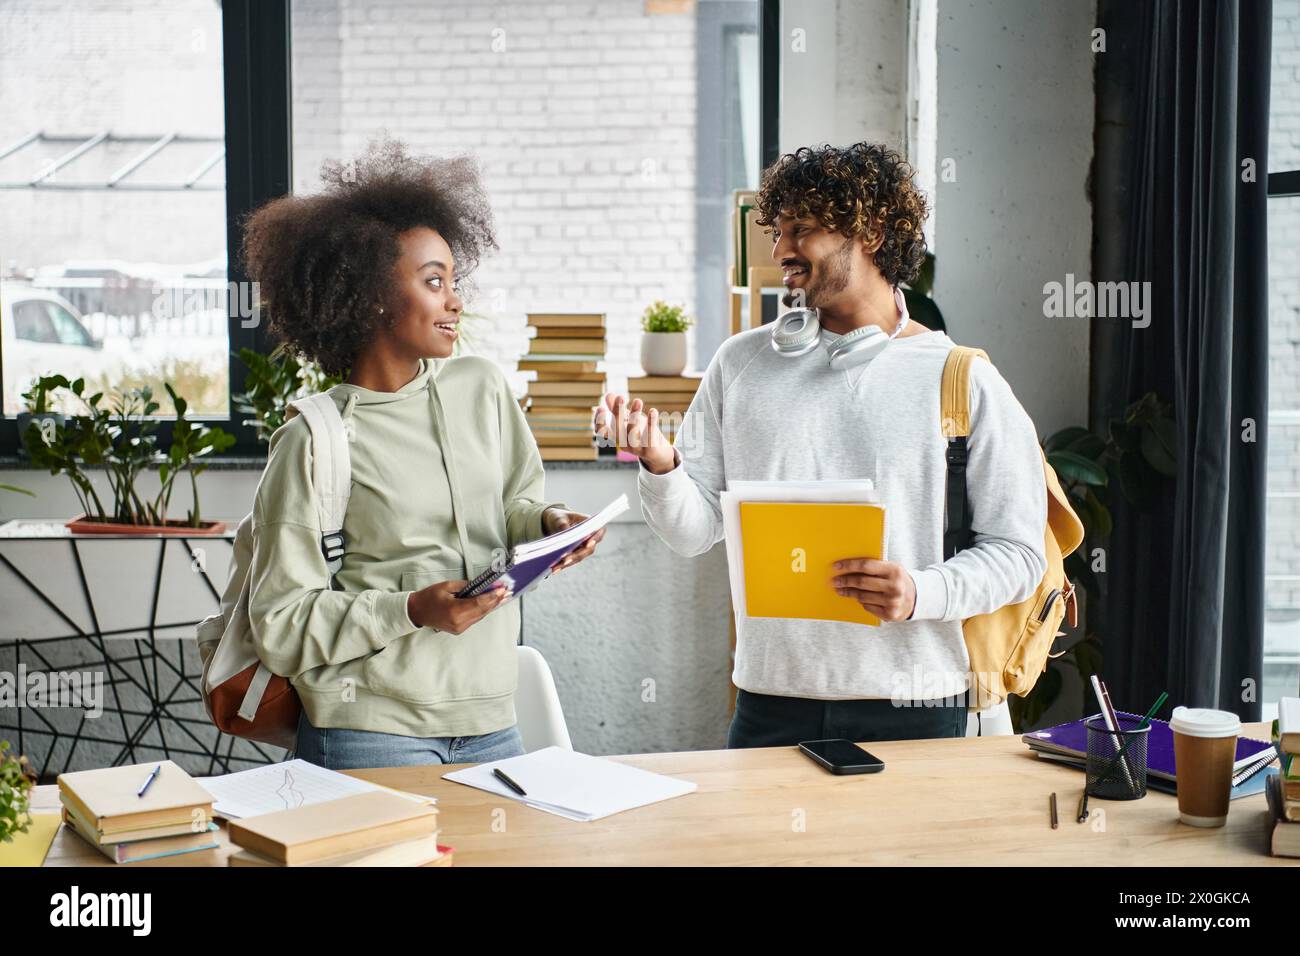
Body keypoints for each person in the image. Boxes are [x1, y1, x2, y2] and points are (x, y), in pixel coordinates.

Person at [596, 142, 1047, 748]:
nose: (781, 251)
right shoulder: (741, 364)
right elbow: (692, 532)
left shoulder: (961, 380)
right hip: (769, 700)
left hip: (915, 701)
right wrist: (660, 462)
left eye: (800, 230)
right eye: (777, 232)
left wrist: (920, 592)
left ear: (874, 230)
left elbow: (1019, 555)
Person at [241, 139, 603, 769]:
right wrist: (411, 610)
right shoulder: (315, 440)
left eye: (454, 280)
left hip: (492, 716)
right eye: (434, 281)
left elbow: (515, 502)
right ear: (373, 293)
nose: (455, 300)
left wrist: (549, 524)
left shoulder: (481, 388)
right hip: (367, 728)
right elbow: (281, 622)